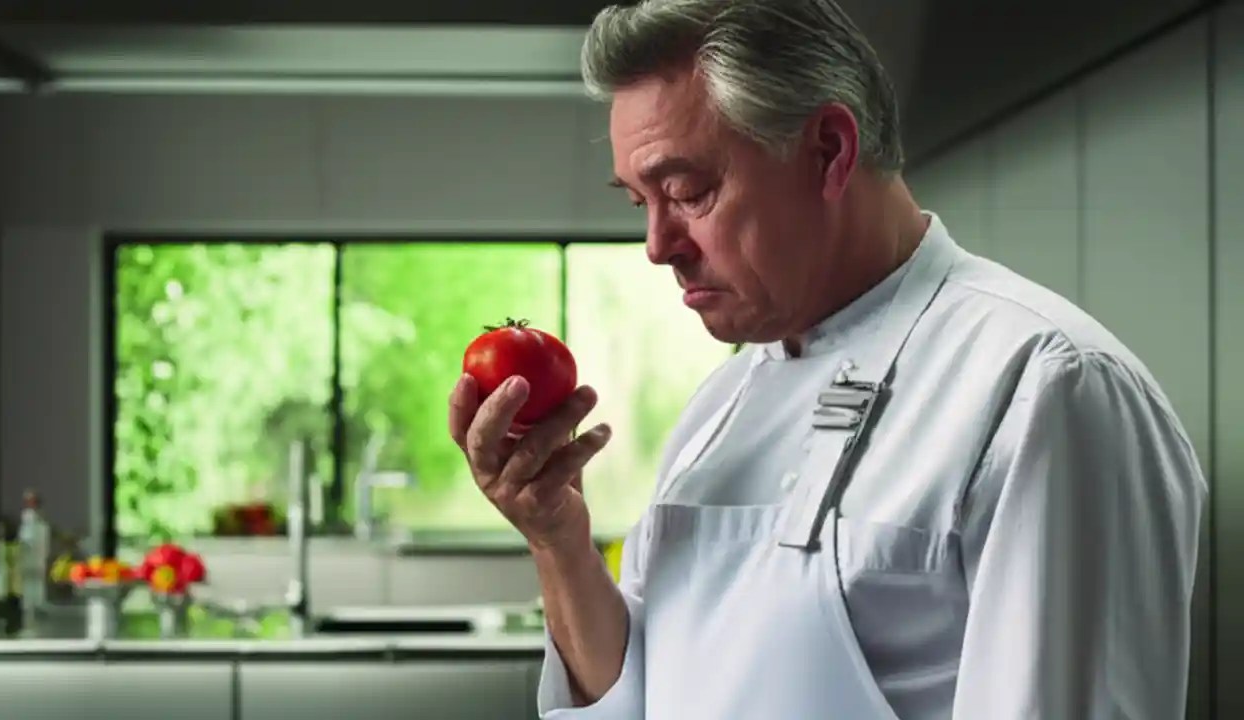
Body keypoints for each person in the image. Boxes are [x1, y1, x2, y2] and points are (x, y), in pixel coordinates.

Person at [448, 0, 1208, 717]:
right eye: (638, 202)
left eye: (686, 190)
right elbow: (642, 697)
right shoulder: (722, 404)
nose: (657, 246)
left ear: (829, 151)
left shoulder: (1046, 385)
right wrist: (557, 541)